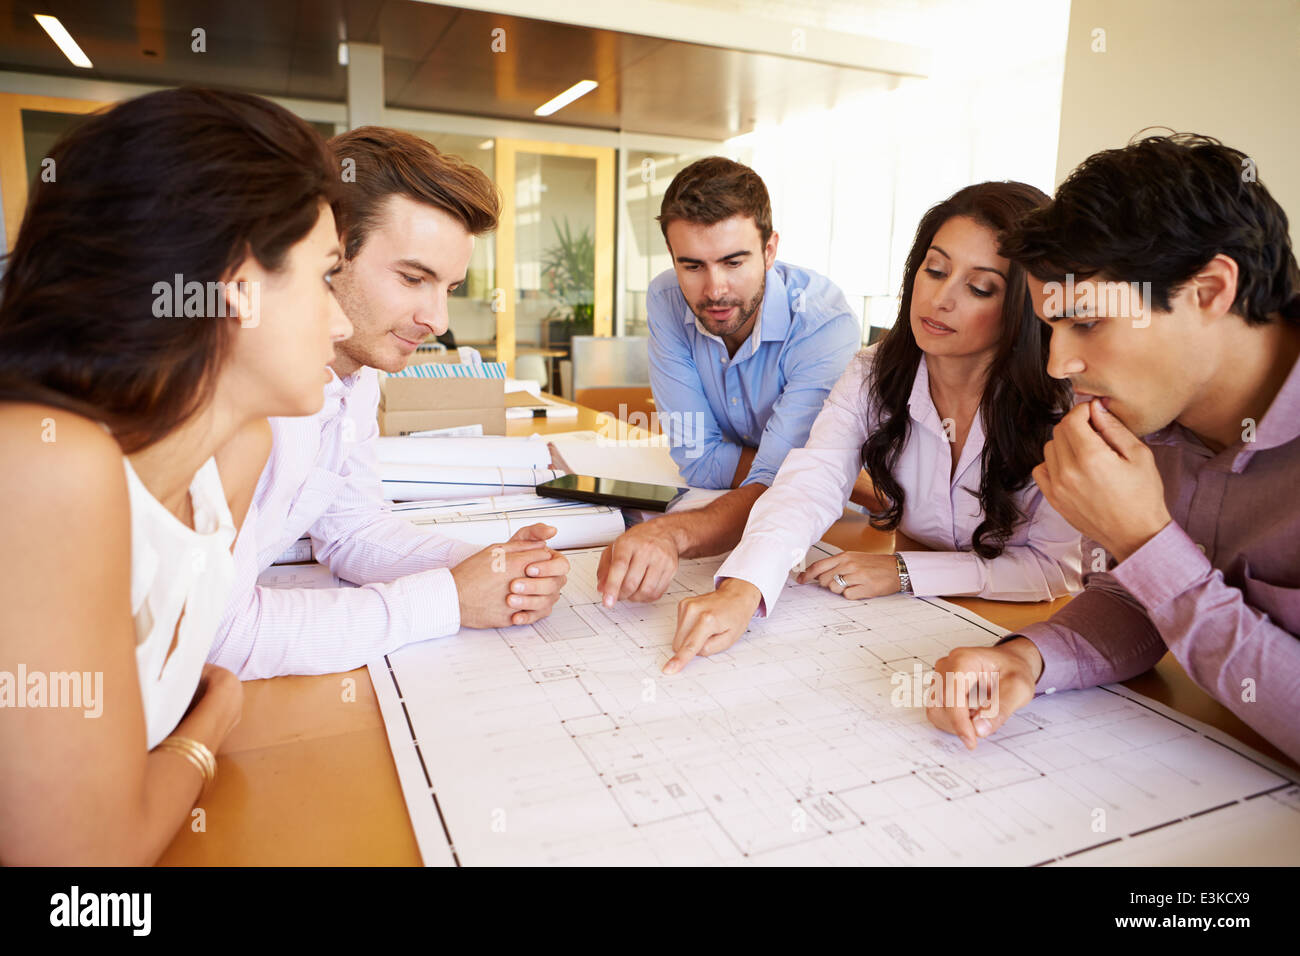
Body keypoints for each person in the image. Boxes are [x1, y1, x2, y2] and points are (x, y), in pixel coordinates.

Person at [0, 87, 351, 863]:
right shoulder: (41, 464)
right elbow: (79, 879)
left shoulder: (236, 451)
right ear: (236, 282)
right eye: (326, 276)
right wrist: (207, 732)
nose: (342, 321)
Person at [926, 134, 1300, 764]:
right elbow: (1141, 596)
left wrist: (1144, 542)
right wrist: (1027, 658)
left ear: (1209, 290)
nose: (1058, 363)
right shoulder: (1142, 409)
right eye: (1051, 328)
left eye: (1088, 322)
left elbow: (1160, 569)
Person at [666, 182, 1083, 673]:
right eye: (934, 270)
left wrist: (904, 572)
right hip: (921, 616)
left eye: (979, 287)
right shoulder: (874, 371)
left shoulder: (1063, 402)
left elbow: (1055, 569)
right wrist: (743, 586)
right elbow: (812, 480)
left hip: (1020, 627)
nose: (940, 299)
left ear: (1023, 307)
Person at [207, 127, 569, 680]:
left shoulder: (358, 372)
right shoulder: (241, 395)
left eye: (447, 288)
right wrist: (447, 599)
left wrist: (488, 568)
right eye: (412, 278)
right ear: (330, 255)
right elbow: (215, 636)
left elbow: (352, 529)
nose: (438, 321)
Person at [596, 156, 861, 608]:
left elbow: (790, 487)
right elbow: (698, 459)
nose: (715, 290)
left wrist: (672, 534)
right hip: (742, 499)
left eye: (734, 262)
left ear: (770, 249)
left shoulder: (823, 324)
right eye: (692, 266)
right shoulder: (666, 298)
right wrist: (787, 468)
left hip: (841, 528)